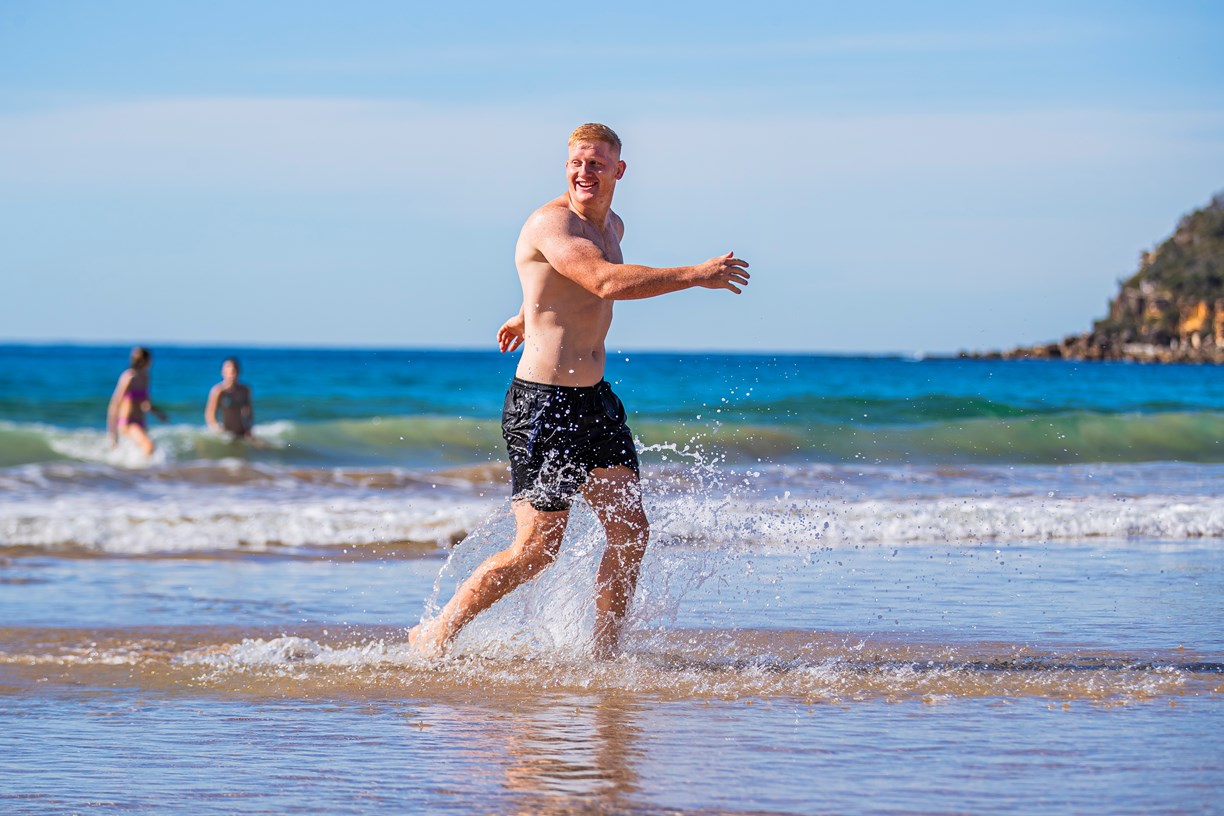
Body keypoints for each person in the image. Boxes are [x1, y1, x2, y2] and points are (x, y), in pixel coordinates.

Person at [409, 123, 750, 659]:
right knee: (535, 551)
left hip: (594, 402)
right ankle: (437, 631)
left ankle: (604, 656)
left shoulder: (612, 223)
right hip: (543, 405)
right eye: (576, 163)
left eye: (596, 163)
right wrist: (694, 274)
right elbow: (603, 282)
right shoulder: (551, 222)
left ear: (619, 169)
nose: (584, 172)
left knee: (630, 533)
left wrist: (527, 311)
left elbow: (566, 281)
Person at [107, 346, 168, 457]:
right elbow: (115, 404)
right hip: (127, 423)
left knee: (143, 452)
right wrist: (113, 434)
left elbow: (146, 404)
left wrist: (159, 413)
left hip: (140, 423)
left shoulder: (145, 376)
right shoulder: (129, 377)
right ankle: (146, 474)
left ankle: (138, 473)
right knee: (149, 446)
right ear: (145, 360)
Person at [204, 357, 256, 441]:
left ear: (238, 371)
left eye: (234, 370)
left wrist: (249, 428)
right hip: (226, 433)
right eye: (228, 370)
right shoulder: (218, 391)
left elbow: (249, 411)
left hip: (242, 431)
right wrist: (217, 428)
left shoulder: (245, 390)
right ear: (223, 372)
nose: (231, 373)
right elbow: (210, 413)